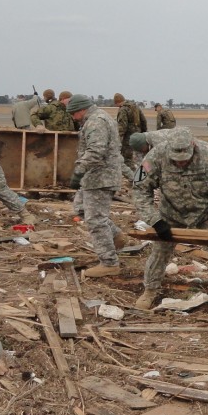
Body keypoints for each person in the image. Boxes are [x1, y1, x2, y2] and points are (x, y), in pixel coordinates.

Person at [133, 128, 208, 321]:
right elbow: (139, 190)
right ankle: (150, 290)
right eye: (176, 159)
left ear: (193, 146)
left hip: (205, 214)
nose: (180, 162)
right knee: (160, 251)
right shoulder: (154, 157)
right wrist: (155, 221)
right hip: (170, 215)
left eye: (184, 158)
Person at [65, 95, 126, 279]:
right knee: (81, 208)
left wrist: (79, 171)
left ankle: (109, 263)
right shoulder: (97, 118)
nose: (73, 118)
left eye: (73, 114)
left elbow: (96, 151)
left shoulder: (96, 121)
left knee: (95, 220)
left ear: (81, 109)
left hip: (100, 178)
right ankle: (116, 236)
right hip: (94, 177)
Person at [113, 93, 149, 182]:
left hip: (128, 139)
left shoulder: (123, 109)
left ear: (117, 102)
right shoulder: (135, 107)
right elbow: (143, 121)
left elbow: (122, 127)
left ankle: (135, 179)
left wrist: (117, 139)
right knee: (140, 158)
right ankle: (145, 176)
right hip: (139, 137)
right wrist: (143, 134)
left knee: (127, 159)